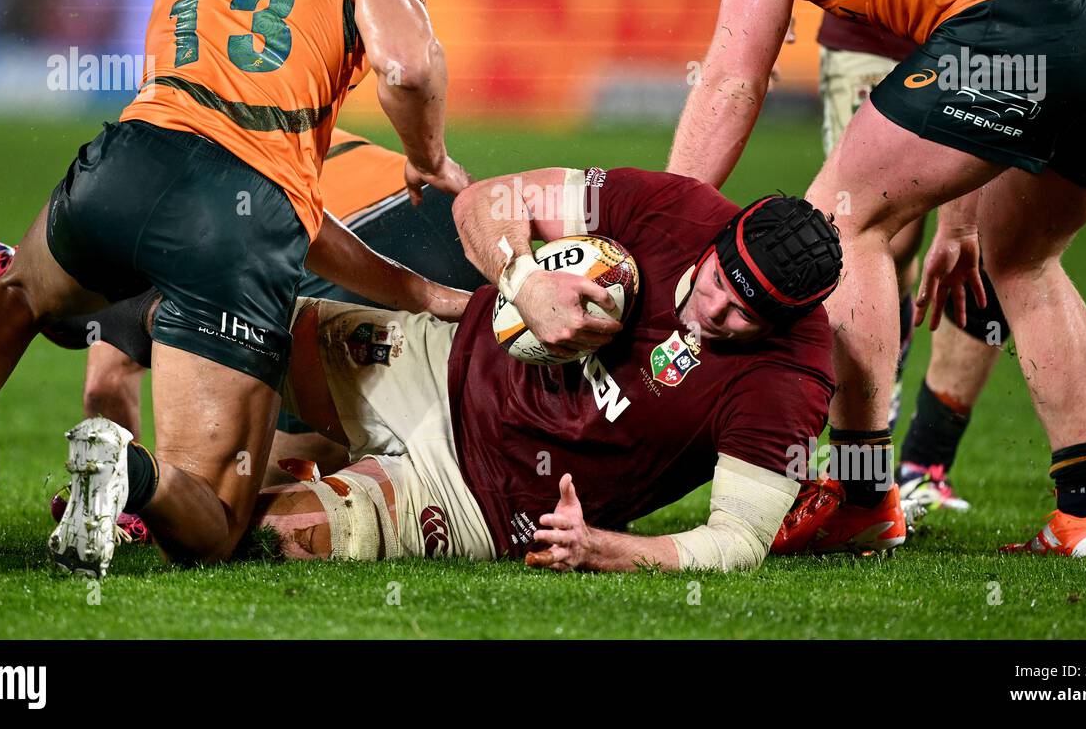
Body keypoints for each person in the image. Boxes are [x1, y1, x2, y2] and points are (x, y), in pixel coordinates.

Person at [0, 0, 470, 578]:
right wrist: (427, 154)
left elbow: (209, 160)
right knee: (212, 527)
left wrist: (415, 289)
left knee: (16, 299)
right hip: (237, 222)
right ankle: (131, 473)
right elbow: (409, 66)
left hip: (123, 163)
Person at [666, 0, 1086, 556]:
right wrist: (960, 216)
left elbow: (734, 76)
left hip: (1019, 26)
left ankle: (864, 497)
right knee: (1024, 263)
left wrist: (672, 216)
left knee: (840, 219)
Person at [251, 165, 845, 569]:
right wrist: (525, 279)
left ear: (785, 322)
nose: (713, 310)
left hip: (478, 497)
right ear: (717, 240)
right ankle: (289, 453)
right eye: (716, 280)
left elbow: (736, 541)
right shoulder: (676, 208)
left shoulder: (790, 381)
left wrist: (598, 547)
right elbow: (486, 200)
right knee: (232, 327)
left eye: (742, 314)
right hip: (445, 357)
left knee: (267, 532)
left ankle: (230, 481)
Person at [0, 127, 486, 523]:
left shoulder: (208, 156)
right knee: (294, 463)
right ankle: (44, 293)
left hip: (330, 259)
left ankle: (39, 292)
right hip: (445, 280)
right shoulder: (294, 133)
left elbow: (104, 384)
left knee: (245, 474)